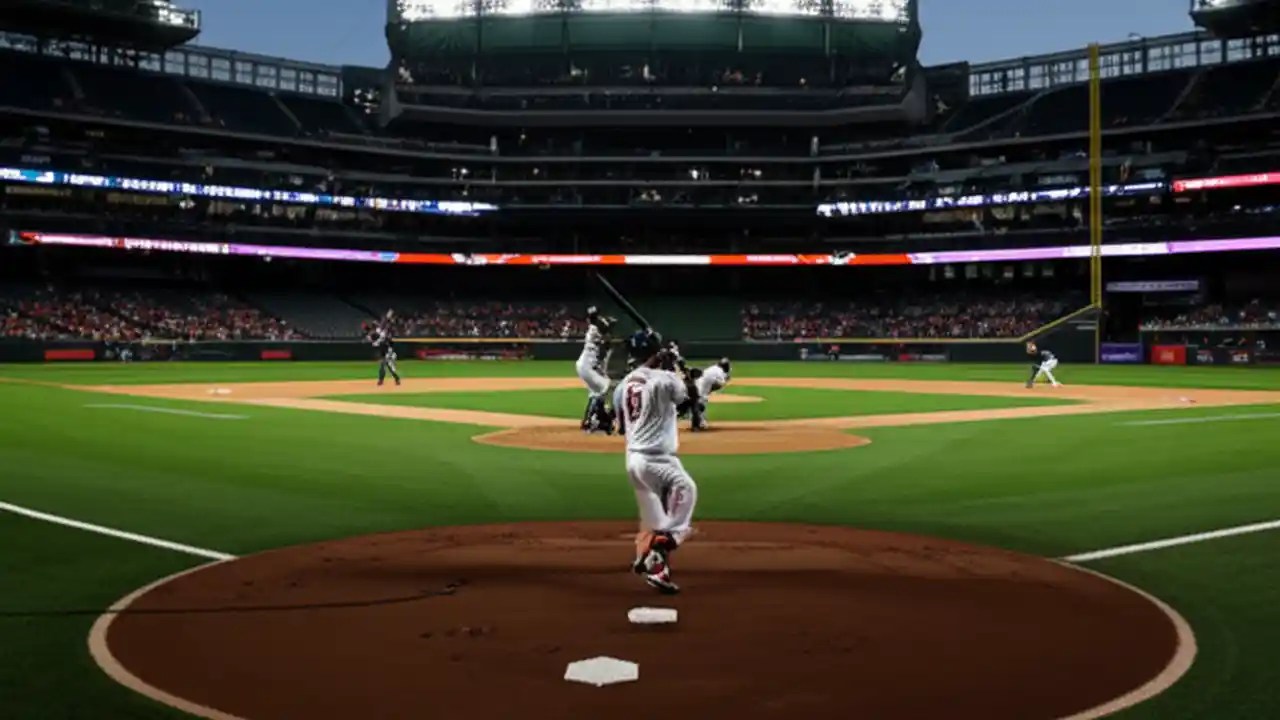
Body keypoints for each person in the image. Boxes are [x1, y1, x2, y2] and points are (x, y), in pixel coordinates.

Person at [613, 330, 700, 595]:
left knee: (656, 513)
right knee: (686, 491)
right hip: (658, 460)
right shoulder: (666, 378)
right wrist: (678, 366)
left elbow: (619, 426)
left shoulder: (624, 383)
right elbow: (692, 400)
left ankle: (644, 554)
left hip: (633, 460)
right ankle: (659, 559)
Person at [576, 306, 616, 434]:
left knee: (596, 393)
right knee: (606, 387)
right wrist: (608, 325)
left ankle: (589, 421)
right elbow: (602, 328)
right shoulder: (594, 329)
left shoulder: (595, 329)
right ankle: (597, 421)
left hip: (585, 366)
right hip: (587, 367)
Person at [370, 313, 401, 387]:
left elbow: (384, 328)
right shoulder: (377, 336)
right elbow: (379, 337)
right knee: (384, 366)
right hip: (384, 352)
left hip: (388, 352)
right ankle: (393, 379)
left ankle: (391, 379)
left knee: (386, 366)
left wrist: (387, 319)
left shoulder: (381, 332)